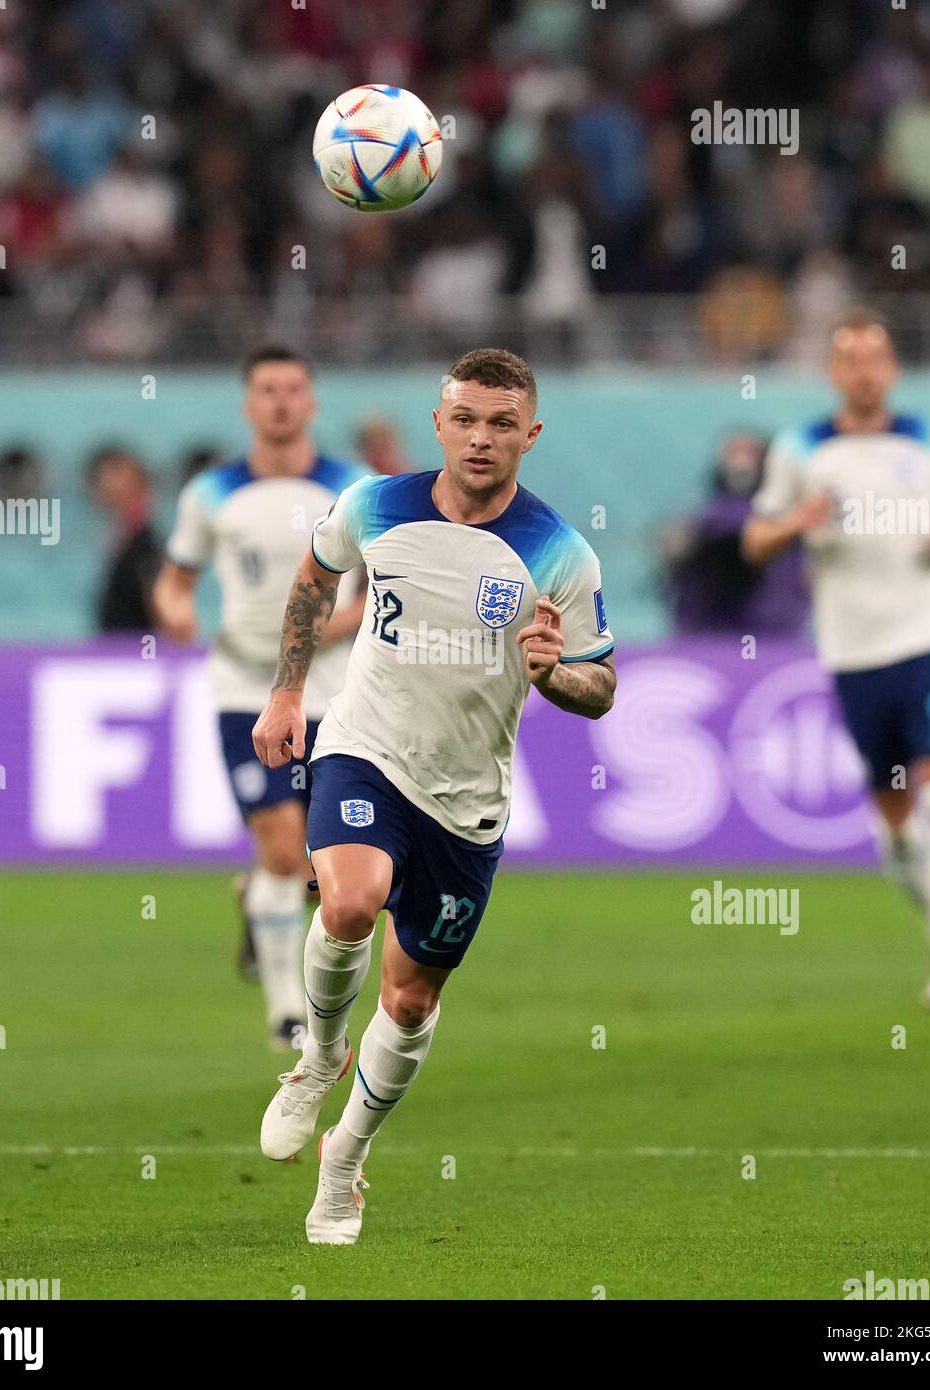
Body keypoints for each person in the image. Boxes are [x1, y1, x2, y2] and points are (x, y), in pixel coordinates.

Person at [251, 347, 616, 1244]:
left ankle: (345, 1162)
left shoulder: (560, 552)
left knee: (411, 1002)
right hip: (364, 748)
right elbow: (315, 573)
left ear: (530, 433)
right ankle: (317, 1055)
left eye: (501, 424)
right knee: (348, 900)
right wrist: (290, 689)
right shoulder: (375, 504)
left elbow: (602, 689)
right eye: (465, 419)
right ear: (439, 422)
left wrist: (554, 674)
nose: (481, 439)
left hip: (467, 801)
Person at [742, 308, 930, 1009]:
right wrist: (797, 522)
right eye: (849, 358)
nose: (863, 370)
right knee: (896, 827)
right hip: (853, 650)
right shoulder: (802, 449)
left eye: (874, 357)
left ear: (893, 368)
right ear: (832, 371)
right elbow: (755, 540)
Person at [154, 348, 365, 1048]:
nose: (280, 402)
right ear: (248, 405)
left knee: (321, 867)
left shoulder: (354, 489)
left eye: (292, 390)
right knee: (282, 852)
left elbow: (379, 588)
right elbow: (175, 579)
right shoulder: (209, 493)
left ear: (312, 403)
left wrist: (325, 629)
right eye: (266, 390)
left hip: (334, 690)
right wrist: (175, 610)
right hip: (245, 684)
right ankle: (288, 1016)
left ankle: (258, 906)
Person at [663, 431, 809, 636]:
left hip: (773, 629)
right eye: (734, 453)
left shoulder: (785, 519)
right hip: (707, 632)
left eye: (750, 453)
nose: (741, 463)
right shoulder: (707, 516)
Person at [87, 446, 162, 634]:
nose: (104, 481)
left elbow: (160, 612)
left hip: (136, 653)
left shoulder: (145, 547)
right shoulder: (122, 538)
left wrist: (154, 656)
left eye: (113, 473)